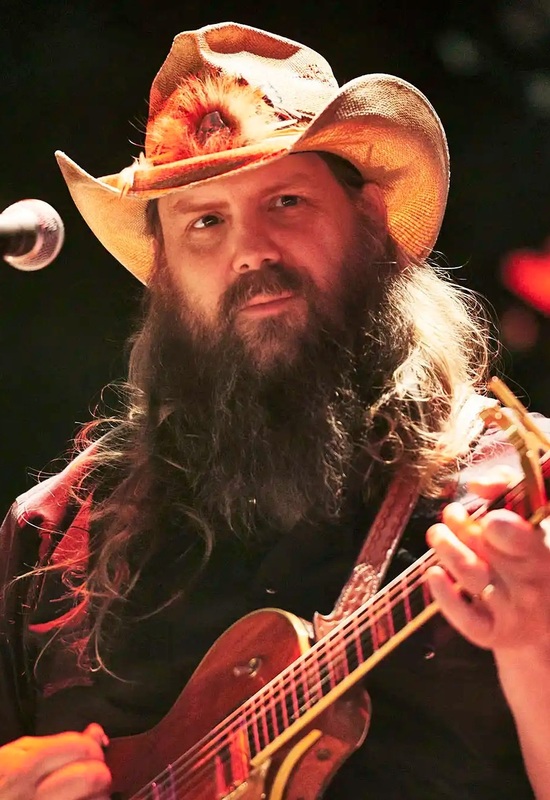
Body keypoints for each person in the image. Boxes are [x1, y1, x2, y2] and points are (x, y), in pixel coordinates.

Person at [0, 20, 549, 800]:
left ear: (369, 222)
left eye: (286, 201)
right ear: (164, 266)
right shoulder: (53, 535)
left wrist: (538, 651)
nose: (250, 249)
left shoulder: (514, 491)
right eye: (205, 221)